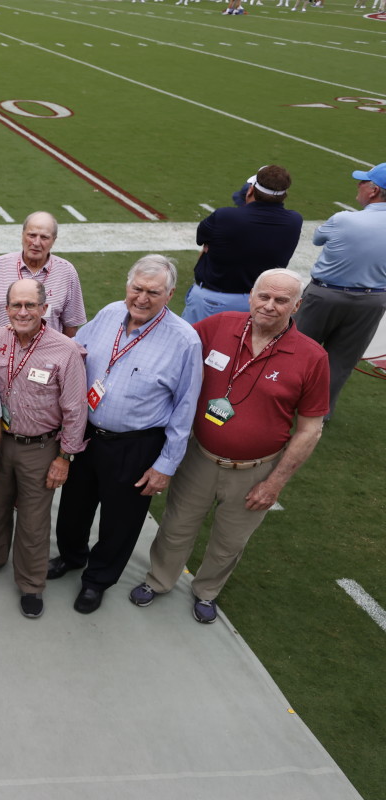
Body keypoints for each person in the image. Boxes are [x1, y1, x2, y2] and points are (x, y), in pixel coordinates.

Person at [131, 269, 327, 623]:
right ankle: (158, 581)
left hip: (255, 471)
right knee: (175, 527)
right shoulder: (218, 325)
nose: (269, 306)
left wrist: (275, 483)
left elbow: (310, 430)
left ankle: (206, 592)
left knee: (229, 542)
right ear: (251, 296)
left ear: (296, 305)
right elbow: (172, 348)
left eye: (281, 300)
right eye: (263, 296)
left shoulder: (312, 357)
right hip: (199, 457)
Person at [49, 255, 203, 614]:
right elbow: (74, 350)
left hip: (136, 445)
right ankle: (72, 557)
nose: (142, 298)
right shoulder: (108, 313)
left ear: (170, 294)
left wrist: (166, 464)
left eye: (154, 292)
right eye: (137, 288)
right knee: (74, 506)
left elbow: (185, 408)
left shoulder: (185, 341)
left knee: (121, 520)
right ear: (127, 285)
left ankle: (98, 580)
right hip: (86, 436)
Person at [0, 279, 88, 618]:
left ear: (44, 308)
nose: (23, 312)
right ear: (5, 309)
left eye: (30, 305)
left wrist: (65, 458)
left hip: (40, 447)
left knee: (33, 523)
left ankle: (31, 583)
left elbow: (76, 410)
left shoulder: (64, 349)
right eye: (16, 305)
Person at [293, 162, 386, 418]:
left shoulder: (344, 218)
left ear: (374, 190)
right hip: (373, 301)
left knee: (296, 350)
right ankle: (318, 413)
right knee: (341, 361)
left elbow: (317, 239)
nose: (358, 185)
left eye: (363, 182)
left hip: (324, 295)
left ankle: (281, 400)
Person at [184, 165, 302, 324]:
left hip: (213, 301)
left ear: (251, 190)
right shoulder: (294, 221)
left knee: (192, 346)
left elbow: (202, 241)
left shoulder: (224, 216)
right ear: (284, 195)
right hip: (258, 305)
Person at [0, 211, 87, 339]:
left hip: (43, 357)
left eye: (44, 237)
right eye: (32, 235)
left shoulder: (67, 272)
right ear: (22, 235)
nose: (36, 242)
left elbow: (71, 325)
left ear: (53, 240)